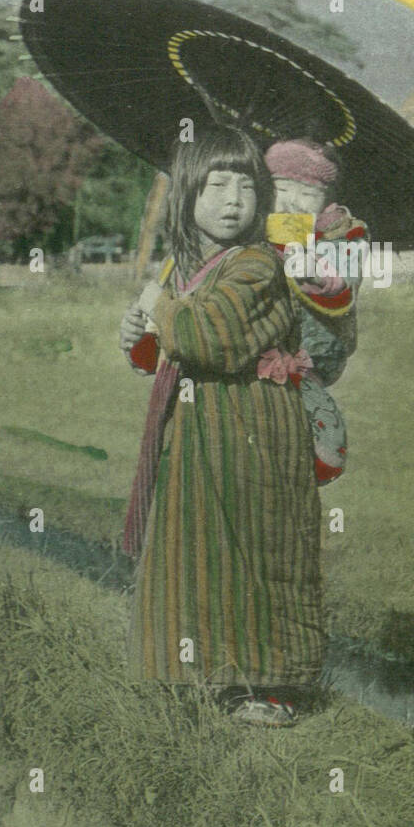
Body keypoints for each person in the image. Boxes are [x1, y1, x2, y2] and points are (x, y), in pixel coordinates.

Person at [119, 126, 323, 728]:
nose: (234, 200)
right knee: (203, 549)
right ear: (188, 193)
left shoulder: (259, 265)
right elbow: (171, 351)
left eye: (246, 186)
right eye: (217, 184)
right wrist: (139, 338)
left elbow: (210, 338)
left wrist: (159, 310)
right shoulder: (187, 268)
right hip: (201, 428)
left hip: (256, 430)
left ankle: (278, 688)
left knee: (262, 551)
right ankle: (208, 674)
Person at [263, 139, 369, 484]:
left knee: (311, 408)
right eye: (282, 188)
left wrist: (320, 273)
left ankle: (324, 453)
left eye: (307, 194)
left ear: (327, 198)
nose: (293, 200)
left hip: (315, 344)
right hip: (262, 340)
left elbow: (347, 276)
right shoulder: (257, 225)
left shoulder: (340, 231)